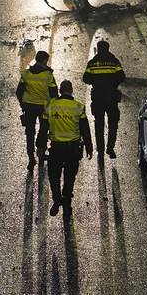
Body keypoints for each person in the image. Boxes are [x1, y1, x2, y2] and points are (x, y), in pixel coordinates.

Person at [44, 80, 93, 216]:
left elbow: (43, 128)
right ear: (71, 91)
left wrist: (40, 145)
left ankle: (57, 199)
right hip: (73, 150)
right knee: (69, 178)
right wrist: (89, 147)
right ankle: (66, 204)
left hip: (56, 149)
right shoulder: (78, 107)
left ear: (60, 90)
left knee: (53, 176)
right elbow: (85, 129)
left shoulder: (50, 106)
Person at [82, 39, 125, 160]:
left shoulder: (92, 63)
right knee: (113, 124)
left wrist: (96, 82)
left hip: (98, 99)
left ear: (98, 49)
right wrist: (112, 83)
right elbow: (122, 77)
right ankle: (110, 148)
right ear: (108, 49)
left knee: (99, 124)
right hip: (111, 98)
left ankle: (100, 149)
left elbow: (86, 78)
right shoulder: (114, 62)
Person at [16, 50, 58, 169]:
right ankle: (41, 150)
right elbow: (54, 92)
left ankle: (31, 158)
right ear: (44, 60)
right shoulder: (48, 75)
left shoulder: (26, 74)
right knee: (43, 129)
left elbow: (19, 92)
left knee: (29, 132)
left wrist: (23, 106)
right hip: (43, 107)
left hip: (29, 107)